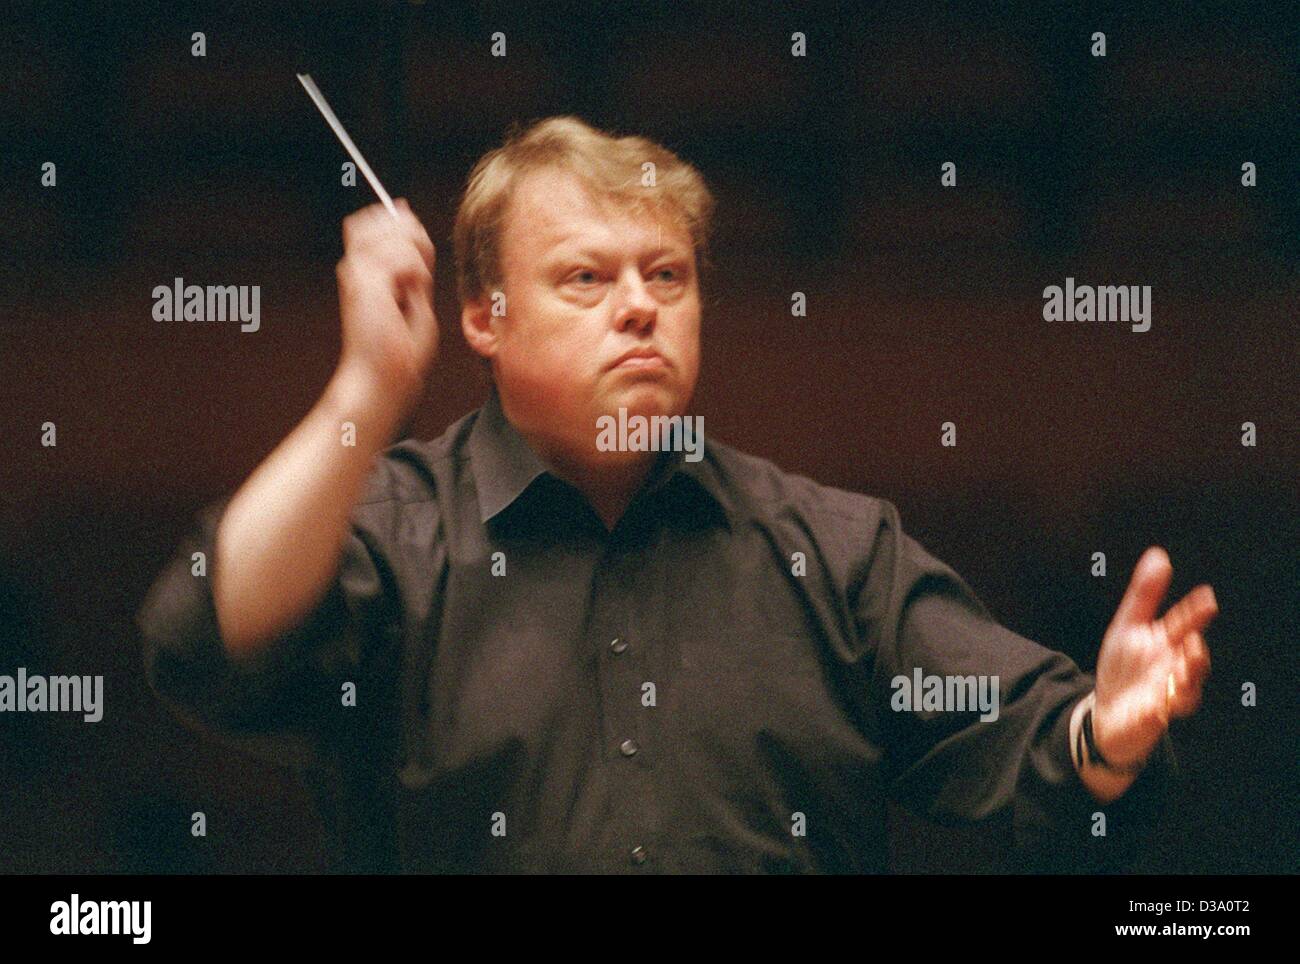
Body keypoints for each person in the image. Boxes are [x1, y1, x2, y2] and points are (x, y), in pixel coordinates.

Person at [136, 116, 1218, 873]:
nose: (640, 307)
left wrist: (1104, 730)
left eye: (667, 274)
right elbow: (207, 634)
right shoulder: (393, 539)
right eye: (584, 277)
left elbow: (1040, 743)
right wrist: (368, 385)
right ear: (484, 316)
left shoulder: (829, 551)